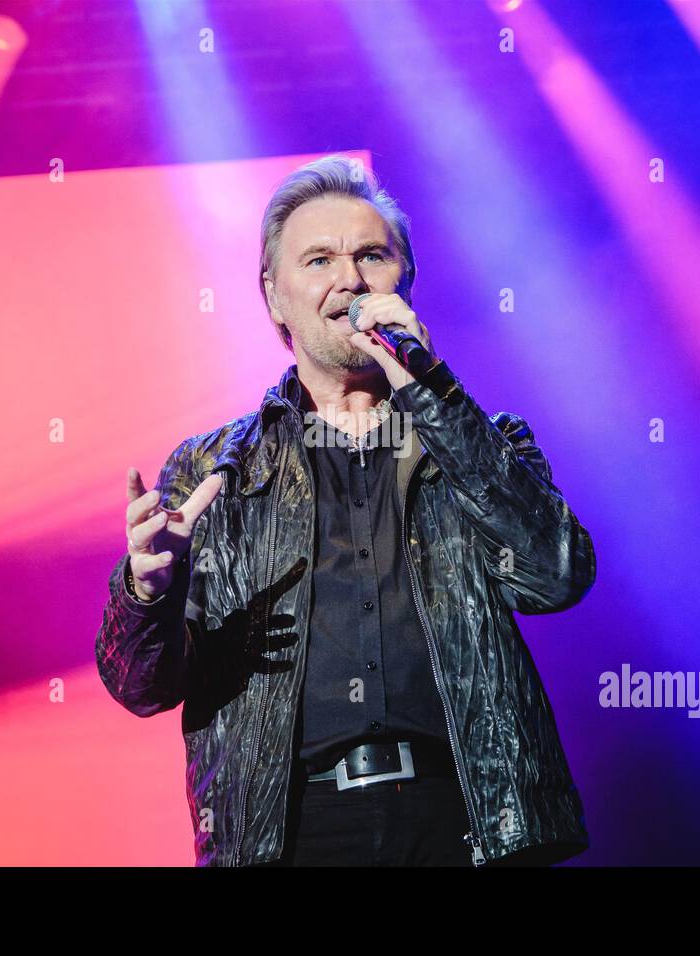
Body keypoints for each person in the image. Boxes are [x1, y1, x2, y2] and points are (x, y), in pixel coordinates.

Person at [95, 155, 596, 867]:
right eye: (319, 259)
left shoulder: (484, 439)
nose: (350, 278)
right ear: (275, 296)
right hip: (291, 832)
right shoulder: (215, 473)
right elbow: (142, 687)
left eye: (371, 255)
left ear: (405, 279)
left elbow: (556, 577)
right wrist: (147, 594)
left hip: (471, 817)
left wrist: (435, 393)